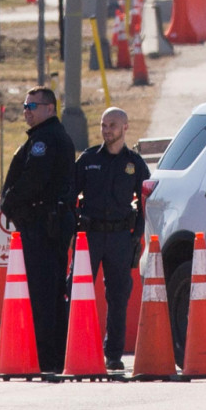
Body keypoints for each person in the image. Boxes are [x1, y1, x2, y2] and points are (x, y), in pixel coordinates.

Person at [0, 85, 76, 371]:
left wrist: (11, 202)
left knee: (44, 293)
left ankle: (47, 357)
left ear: (49, 109)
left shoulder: (46, 140)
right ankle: (50, 354)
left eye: (32, 106)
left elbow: (33, 181)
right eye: (25, 105)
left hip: (44, 226)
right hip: (46, 225)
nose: (26, 111)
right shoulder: (45, 137)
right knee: (47, 292)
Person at [74, 105, 150, 369]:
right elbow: (70, 194)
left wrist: (136, 238)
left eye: (113, 126)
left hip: (120, 237)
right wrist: (74, 231)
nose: (107, 131)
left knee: (118, 297)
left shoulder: (135, 164)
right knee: (77, 292)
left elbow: (144, 204)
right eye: (104, 126)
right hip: (91, 235)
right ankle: (75, 348)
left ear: (125, 128)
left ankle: (113, 355)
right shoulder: (88, 159)